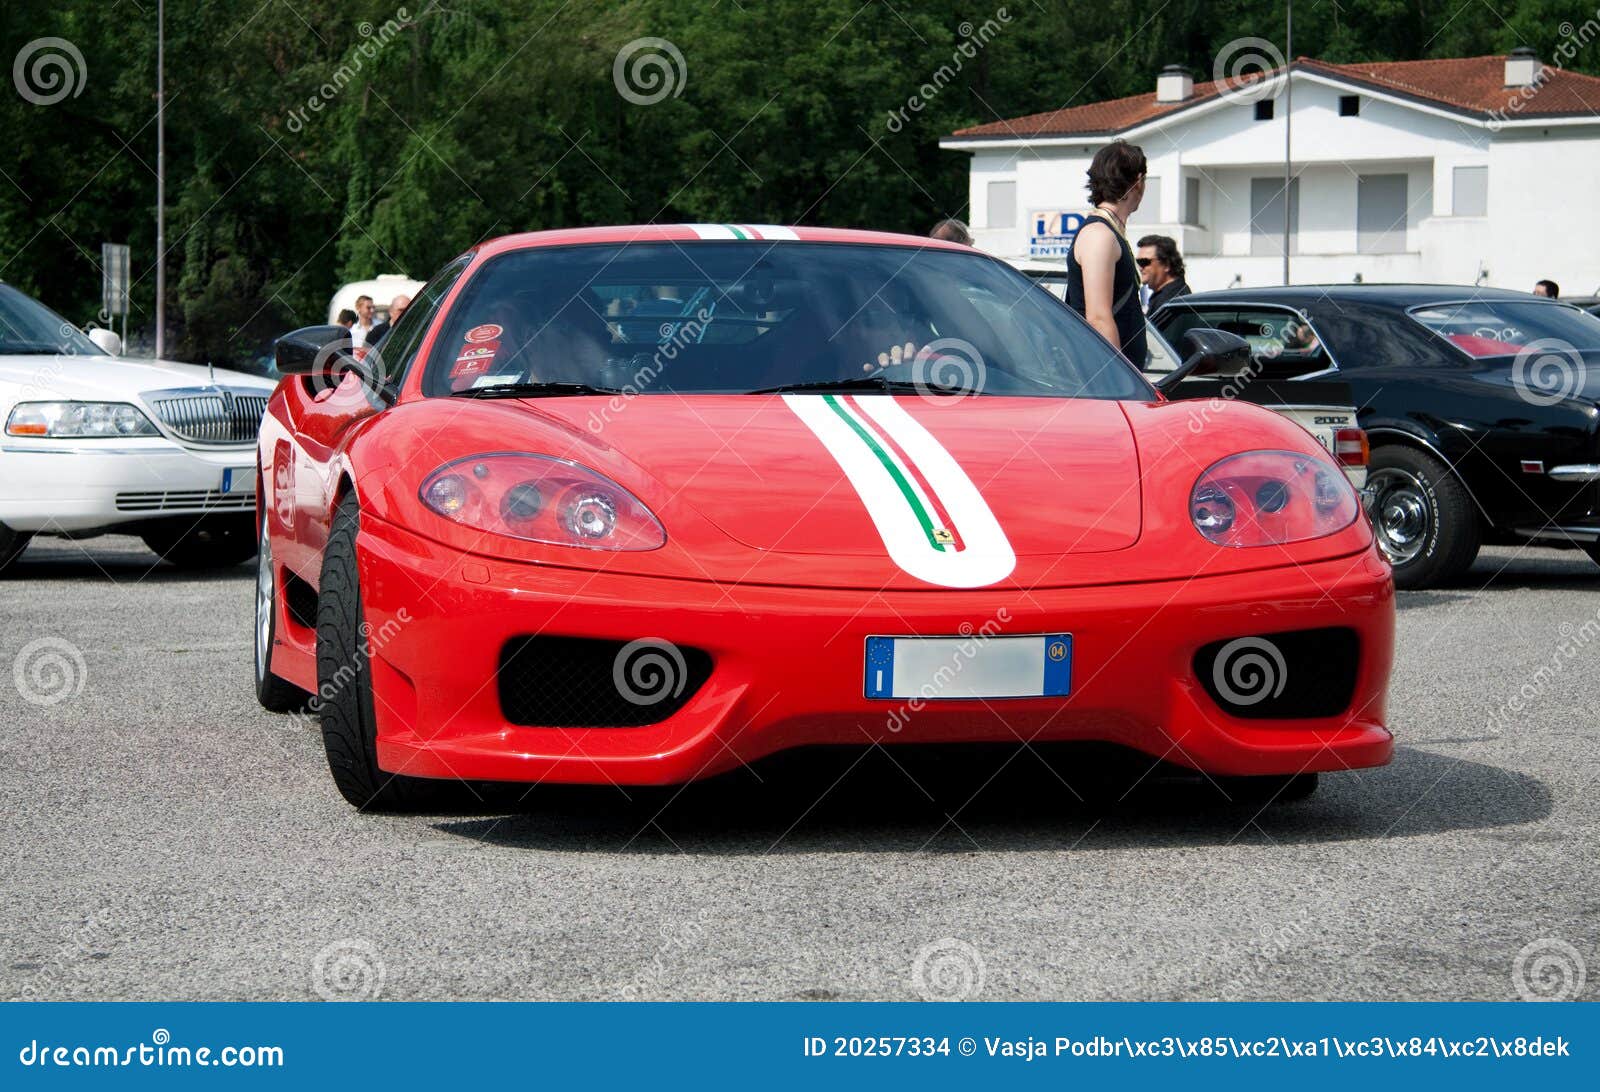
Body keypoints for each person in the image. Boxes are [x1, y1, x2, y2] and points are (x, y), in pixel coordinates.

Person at [1065, 141, 1147, 364]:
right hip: (1104, 384)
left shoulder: (1108, 232)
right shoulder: (1099, 235)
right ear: (1138, 181)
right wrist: (1122, 383)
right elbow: (1098, 318)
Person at [1137, 234, 1190, 314]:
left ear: (1166, 264)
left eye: (1144, 262)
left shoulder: (1173, 302)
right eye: (1138, 262)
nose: (1140, 268)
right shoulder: (1166, 296)